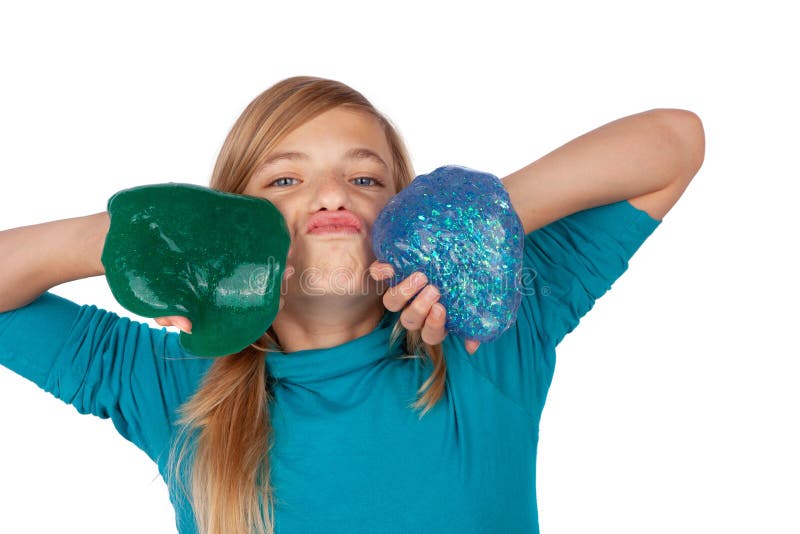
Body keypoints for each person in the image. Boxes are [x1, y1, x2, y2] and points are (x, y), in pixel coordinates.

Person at [0, 76, 704, 534]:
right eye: (284, 179)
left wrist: (464, 229)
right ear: (233, 225)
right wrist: (144, 240)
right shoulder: (173, 377)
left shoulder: (486, 338)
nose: (332, 194)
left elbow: (674, 143)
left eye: (366, 178)